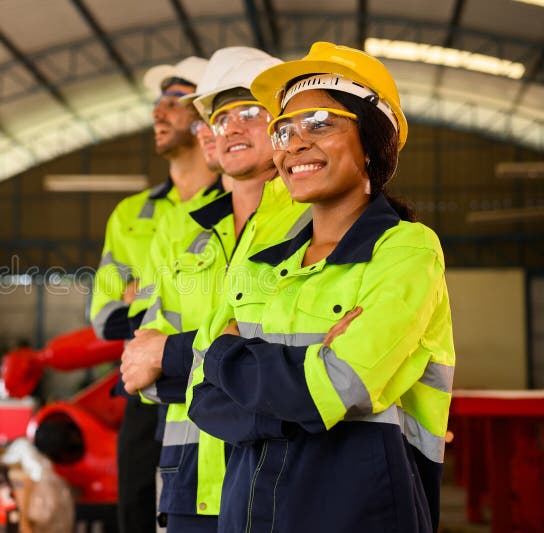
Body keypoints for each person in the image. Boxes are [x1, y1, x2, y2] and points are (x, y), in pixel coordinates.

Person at [182, 42, 456, 532]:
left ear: (372, 143)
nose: (294, 143)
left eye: (321, 124)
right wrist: (308, 384)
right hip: (249, 514)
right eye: (284, 130)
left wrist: (229, 356)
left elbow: (342, 383)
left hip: (361, 512)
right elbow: (202, 398)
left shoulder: (407, 250)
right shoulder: (262, 266)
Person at [119, 47, 309, 532]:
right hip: (189, 477)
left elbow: (299, 363)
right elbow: (142, 370)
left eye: (250, 111)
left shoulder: (312, 222)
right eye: (220, 117)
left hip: (283, 473)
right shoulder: (188, 238)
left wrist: (176, 355)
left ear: (283, 126)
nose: (232, 127)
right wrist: (226, 356)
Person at [89, 56, 220, 533]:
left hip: (213, 374)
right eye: (157, 103)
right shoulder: (131, 213)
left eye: (173, 100)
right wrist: (162, 308)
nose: (158, 113)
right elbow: (104, 316)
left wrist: (142, 295)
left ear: (206, 111)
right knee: (137, 503)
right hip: (143, 384)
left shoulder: (240, 203)